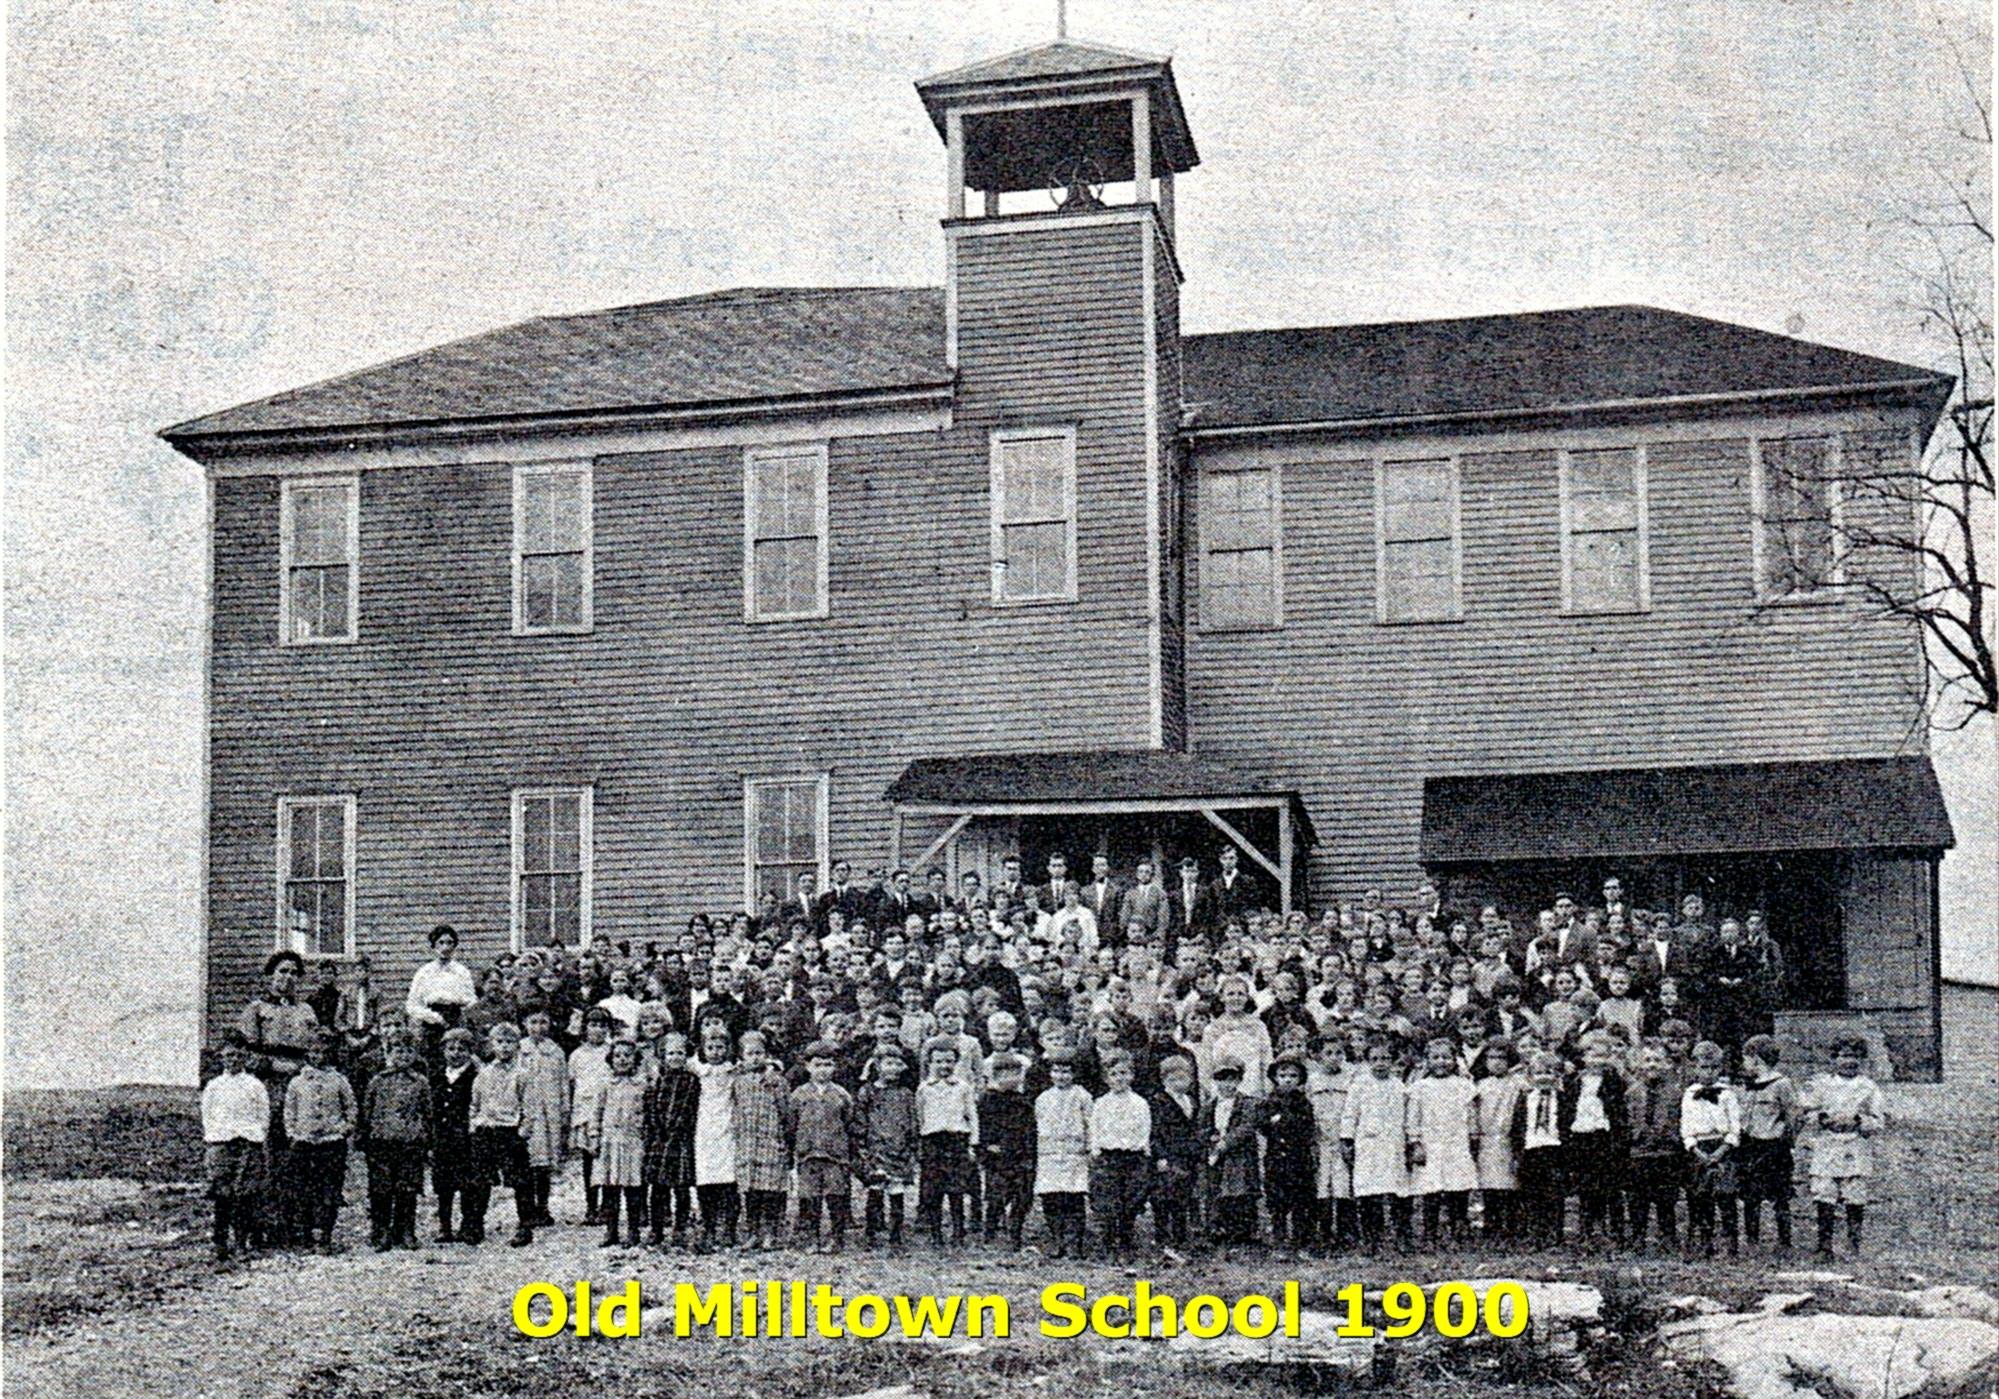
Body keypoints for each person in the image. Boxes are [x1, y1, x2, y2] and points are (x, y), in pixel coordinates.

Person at [238, 950, 321, 1245]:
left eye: (293, 973)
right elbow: (246, 1052)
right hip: (269, 1087)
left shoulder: (307, 1012)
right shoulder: (256, 1010)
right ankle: (266, 1225)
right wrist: (270, 1065)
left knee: (300, 1153)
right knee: (269, 1154)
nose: (287, 978)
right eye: (282, 971)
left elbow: (315, 1049)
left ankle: (298, 1224)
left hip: (301, 1086)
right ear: (271, 975)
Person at [1803, 1035, 1885, 1259]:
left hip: (1855, 1145)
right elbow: (1807, 1112)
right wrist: (1822, 1119)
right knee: (1825, 1191)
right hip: (1828, 1143)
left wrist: (1858, 1121)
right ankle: (1824, 1246)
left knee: (1854, 1192)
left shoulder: (1868, 1088)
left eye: (1855, 1056)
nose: (1850, 1061)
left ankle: (1853, 1244)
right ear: (1834, 1059)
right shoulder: (1822, 1085)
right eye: (1844, 1056)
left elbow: (1879, 1121)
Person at [283, 1029, 357, 1254]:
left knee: (329, 1190)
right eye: (314, 1052)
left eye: (323, 1052)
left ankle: (324, 1235)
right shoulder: (297, 1082)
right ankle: (305, 1236)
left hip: (331, 1143)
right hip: (304, 1143)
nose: (318, 1056)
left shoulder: (339, 1080)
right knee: (303, 1189)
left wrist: (343, 1129)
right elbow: (289, 1111)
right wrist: (293, 1134)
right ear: (307, 1054)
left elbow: (351, 1108)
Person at [357, 1028, 431, 1251]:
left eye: (408, 1052)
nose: (403, 1057)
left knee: (407, 1188)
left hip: (410, 1142)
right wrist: (365, 1139)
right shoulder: (378, 1081)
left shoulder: (420, 1082)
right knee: (381, 1189)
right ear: (389, 1053)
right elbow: (367, 1111)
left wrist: (426, 1141)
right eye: (398, 1051)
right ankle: (381, 1232)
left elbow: (427, 1113)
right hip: (382, 1142)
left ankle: (405, 1230)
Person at [1342, 1035, 1413, 1254]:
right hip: (1368, 1145)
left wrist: (1409, 1142)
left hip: (1393, 1146)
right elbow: (1349, 1115)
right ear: (1367, 1060)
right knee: (1369, 1193)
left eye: (1385, 1058)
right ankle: (1372, 1238)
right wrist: (1347, 1140)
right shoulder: (1359, 1085)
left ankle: (1403, 1235)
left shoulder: (1399, 1087)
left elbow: (1407, 1117)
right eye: (1374, 1059)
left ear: (1393, 1061)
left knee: (1398, 1192)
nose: (1380, 1063)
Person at [201, 1034, 269, 1261]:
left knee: (245, 1195)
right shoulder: (214, 1086)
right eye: (229, 1055)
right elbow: (207, 1116)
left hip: (248, 1143)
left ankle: (241, 1242)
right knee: (222, 1194)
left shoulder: (255, 1085)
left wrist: (253, 1136)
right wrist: (218, 1137)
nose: (233, 1060)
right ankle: (220, 1243)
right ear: (222, 1058)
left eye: (238, 1055)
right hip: (221, 1144)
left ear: (245, 1058)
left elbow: (263, 1117)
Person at [469, 1022, 536, 1247]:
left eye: (509, 1042)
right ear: (491, 1045)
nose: (504, 1047)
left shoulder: (523, 1075)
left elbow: (529, 1106)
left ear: (517, 1046)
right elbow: (475, 1103)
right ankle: (476, 1224)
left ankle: (525, 1226)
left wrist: (523, 1131)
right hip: (486, 1131)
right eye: (500, 1042)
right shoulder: (484, 1074)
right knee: (481, 1180)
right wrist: (474, 1125)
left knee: (520, 1180)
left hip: (510, 1131)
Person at [1410, 1035, 1479, 1248]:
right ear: (1428, 1061)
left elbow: (1471, 1114)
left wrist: (1472, 1136)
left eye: (1446, 1057)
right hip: (1431, 1144)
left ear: (1455, 1060)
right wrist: (1416, 1142)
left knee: (1457, 1191)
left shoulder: (1463, 1085)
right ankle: (1430, 1235)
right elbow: (1413, 1117)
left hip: (1456, 1142)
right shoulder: (1420, 1087)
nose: (1441, 1062)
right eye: (1436, 1057)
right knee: (1431, 1192)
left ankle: (1457, 1234)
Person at [1735, 1034, 1800, 1254]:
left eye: (1746, 1059)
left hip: (1773, 1147)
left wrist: (1785, 1140)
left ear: (1756, 1059)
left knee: (1780, 1196)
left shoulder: (1782, 1084)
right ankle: (1752, 1240)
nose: (1744, 1064)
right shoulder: (1749, 1085)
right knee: (1750, 1195)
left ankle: (1784, 1242)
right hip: (1750, 1145)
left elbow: (1793, 1116)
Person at [791, 1041, 858, 1252]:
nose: (823, 1070)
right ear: (808, 1067)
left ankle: (836, 1238)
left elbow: (849, 1122)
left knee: (835, 1196)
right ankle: (812, 1238)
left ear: (834, 1067)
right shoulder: (798, 1095)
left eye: (828, 1065)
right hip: (808, 1154)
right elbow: (792, 1123)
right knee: (811, 1197)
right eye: (818, 1065)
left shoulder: (841, 1095)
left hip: (835, 1155)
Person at [732, 1030, 794, 1251]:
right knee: (751, 1190)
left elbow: (786, 1113)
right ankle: (753, 1230)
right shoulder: (737, 1081)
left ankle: (771, 1232)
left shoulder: (777, 1081)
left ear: (767, 1054)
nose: (755, 1057)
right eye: (750, 1053)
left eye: (759, 1053)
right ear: (742, 1056)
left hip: (772, 1140)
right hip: (748, 1142)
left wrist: (787, 1140)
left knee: (771, 1190)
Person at [1680, 1040, 1740, 1258]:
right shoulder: (1689, 1093)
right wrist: (1696, 1150)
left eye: (1714, 1067)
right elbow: (1686, 1128)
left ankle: (1730, 1244)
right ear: (1695, 1067)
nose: (1709, 1072)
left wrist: (1720, 1152)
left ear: (1720, 1068)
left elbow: (1734, 1128)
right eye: (1704, 1067)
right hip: (1699, 1149)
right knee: (1701, 1196)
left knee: (1725, 1195)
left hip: (1722, 1147)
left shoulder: (1727, 1094)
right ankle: (1705, 1241)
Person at [1090, 1052, 1153, 1261]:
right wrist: (1096, 1150)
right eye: (1114, 1074)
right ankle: (1107, 1241)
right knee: (1109, 1201)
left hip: (1133, 1157)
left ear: (1132, 1076)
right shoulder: (1101, 1103)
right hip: (1109, 1157)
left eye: (1124, 1073)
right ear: (1106, 1078)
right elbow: (1095, 1129)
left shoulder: (1139, 1103)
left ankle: (1126, 1238)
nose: (1119, 1078)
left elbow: (1145, 1130)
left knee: (1131, 1200)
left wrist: (1140, 1150)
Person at [1565, 1037, 1629, 1242]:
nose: (1597, 1061)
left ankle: (1616, 1232)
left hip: (1605, 1136)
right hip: (1582, 1136)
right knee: (1586, 1186)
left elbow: (1618, 1110)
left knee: (1610, 1186)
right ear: (1583, 1057)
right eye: (1593, 1055)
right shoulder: (1575, 1081)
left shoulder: (1614, 1080)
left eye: (1603, 1056)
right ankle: (1588, 1229)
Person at [641, 1031, 702, 1248]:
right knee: (658, 1189)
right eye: (670, 1053)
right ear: (662, 1056)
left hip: (681, 1139)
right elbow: (651, 1108)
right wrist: (657, 1129)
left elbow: (689, 1109)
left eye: (680, 1053)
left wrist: (677, 1130)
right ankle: (656, 1228)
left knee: (681, 1188)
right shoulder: (658, 1080)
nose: (675, 1057)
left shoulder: (692, 1080)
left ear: (687, 1055)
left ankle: (680, 1228)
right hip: (660, 1138)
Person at [1625, 1038, 1685, 1252]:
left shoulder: (1676, 1093)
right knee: (1637, 1199)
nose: (1652, 1065)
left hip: (1666, 1152)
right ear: (1639, 1063)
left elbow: (1679, 1120)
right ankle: (1637, 1237)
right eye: (1647, 1060)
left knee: (1666, 1198)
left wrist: (1668, 1136)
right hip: (1640, 1152)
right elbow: (1628, 1119)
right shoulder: (1632, 1092)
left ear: (1667, 1063)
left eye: (1657, 1060)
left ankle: (1668, 1236)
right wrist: (1637, 1135)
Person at [1034, 1048, 1093, 1258]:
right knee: (1051, 1198)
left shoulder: (1082, 1096)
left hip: (1074, 1153)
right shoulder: (1043, 1098)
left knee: (1073, 1198)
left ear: (1074, 1073)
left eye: (1066, 1072)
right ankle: (1057, 1240)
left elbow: (1090, 1124)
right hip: (1049, 1153)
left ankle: (1073, 1243)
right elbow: (1039, 1125)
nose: (1061, 1076)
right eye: (1057, 1071)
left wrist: (1089, 1148)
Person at [858, 1044, 918, 1247]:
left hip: (899, 1150)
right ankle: (871, 1233)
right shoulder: (868, 1091)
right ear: (877, 1065)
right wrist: (863, 1146)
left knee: (896, 1191)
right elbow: (861, 1121)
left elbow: (912, 1122)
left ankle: (896, 1236)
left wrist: (911, 1146)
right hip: (877, 1149)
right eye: (888, 1063)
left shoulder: (907, 1094)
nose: (892, 1068)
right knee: (876, 1190)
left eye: (896, 1063)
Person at [1257, 1053, 1317, 1254]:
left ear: (1300, 1079)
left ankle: (1301, 1242)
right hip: (1276, 1158)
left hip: (1299, 1158)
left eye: (1293, 1075)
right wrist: (1275, 1122)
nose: (1288, 1079)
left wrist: (1282, 1121)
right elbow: (1264, 1126)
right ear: (1275, 1078)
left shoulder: (1303, 1103)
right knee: (1277, 1203)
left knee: (1301, 1201)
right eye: (1283, 1075)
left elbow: (1305, 1127)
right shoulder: (1269, 1102)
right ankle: (1280, 1241)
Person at [593, 1039, 649, 1248]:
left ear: (635, 1059)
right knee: (610, 1189)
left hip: (633, 1141)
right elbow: (597, 1112)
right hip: (610, 1141)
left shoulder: (642, 1084)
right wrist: (594, 1135)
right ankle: (611, 1230)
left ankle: (633, 1230)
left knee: (634, 1189)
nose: (622, 1059)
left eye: (627, 1055)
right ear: (611, 1059)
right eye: (617, 1055)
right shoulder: (605, 1084)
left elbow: (647, 1113)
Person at [1509, 1051, 1568, 1247]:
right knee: (1532, 1194)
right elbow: (1517, 1127)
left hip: (1555, 1150)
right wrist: (1517, 1153)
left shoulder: (1563, 1099)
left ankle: (1555, 1234)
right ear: (1530, 1076)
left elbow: (1567, 1124)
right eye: (1539, 1073)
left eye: (1550, 1072)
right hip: (1531, 1150)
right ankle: (1535, 1234)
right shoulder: (1526, 1098)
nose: (1544, 1077)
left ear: (1558, 1076)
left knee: (1554, 1194)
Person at [978, 1052, 1036, 1249]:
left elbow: (1030, 1128)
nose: (1011, 1079)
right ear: (995, 1076)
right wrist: (986, 1147)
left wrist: (1029, 1153)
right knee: (997, 1197)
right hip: (998, 1156)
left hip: (1020, 1155)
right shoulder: (987, 1099)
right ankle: (990, 1230)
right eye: (1005, 1074)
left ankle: (1015, 1232)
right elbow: (982, 1126)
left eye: (1015, 1074)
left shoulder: (1023, 1100)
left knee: (1022, 1197)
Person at [517, 1007, 569, 1226]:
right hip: (527, 1112)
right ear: (524, 1024)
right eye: (533, 1022)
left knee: (545, 1163)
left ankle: (543, 1207)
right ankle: (526, 1210)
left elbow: (563, 1082)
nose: (538, 1027)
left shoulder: (555, 1051)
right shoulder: (519, 1049)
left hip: (550, 1113)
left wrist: (565, 1109)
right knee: (527, 1161)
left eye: (543, 1022)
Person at [691, 1021, 740, 1251]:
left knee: (729, 1181)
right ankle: (708, 1227)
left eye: (720, 1047)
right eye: (710, 1047)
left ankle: (729, 1228)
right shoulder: (698, 1070)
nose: (716, 1052)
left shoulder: (734, 1070)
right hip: (704, 1131)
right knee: (706, 1180)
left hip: (728, 1129)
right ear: (703, 1048)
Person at [1149, 1053, 1203, 1258]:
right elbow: (1153, 1133)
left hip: (1187, 1156)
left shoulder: (1191, 1101)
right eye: (1173, 1080)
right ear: (1164, 1081)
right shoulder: (1158, 1101)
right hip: (1167, 1156)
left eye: (1183, 1078)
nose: (1179, 1083)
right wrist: (1160, 1156)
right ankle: (1162, 1235)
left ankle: (1180, 1235)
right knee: (1163, 1197)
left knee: (1183, 1196)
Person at [429, 1027, 480, 1242]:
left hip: (466, 1138)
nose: (456, 1053)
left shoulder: (476, 1077)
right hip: (442, 1137)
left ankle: (469, 1224)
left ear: (470, 1052)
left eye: (461, 1049)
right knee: (443, 1184)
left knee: (468, 1182)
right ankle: (445, 1225)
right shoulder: (437, 1076)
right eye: (451, 1049)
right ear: (443, 1051)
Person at [1471, 1039, 1522, 1243]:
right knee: (1489, 1187)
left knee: (1509, 1187)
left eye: (1502, 1058)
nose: (1497, 1062)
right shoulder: (1480, 1086)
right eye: (1492, 1058)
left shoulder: (1517, 1084)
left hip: (1508, 1140)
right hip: (1487, 1140)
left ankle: (1511, 1226)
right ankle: (1491, 1226)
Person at [405, 925, 477, 1063]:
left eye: (450, 943)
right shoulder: (424, 972)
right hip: (432, 1024)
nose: (446, 947)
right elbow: (412, 1005)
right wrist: (433, 1017)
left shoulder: (461, 971)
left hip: (456, 1020)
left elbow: (472, 1000)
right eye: (441, 943)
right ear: (433, 946)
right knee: (434, 1061)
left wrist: (460, 1006)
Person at [568, 1010, 614, 1224]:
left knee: (606, 1160)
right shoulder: (577, 1055)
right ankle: (591, 1206)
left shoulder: (613, 1052)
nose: (598, 1030)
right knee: (589, 1159)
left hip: (608, 1111)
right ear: (585, 1028)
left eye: (603, 1026)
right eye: (593, 1025)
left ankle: (607, 1206)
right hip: (585, 1111)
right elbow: (571, 1083)